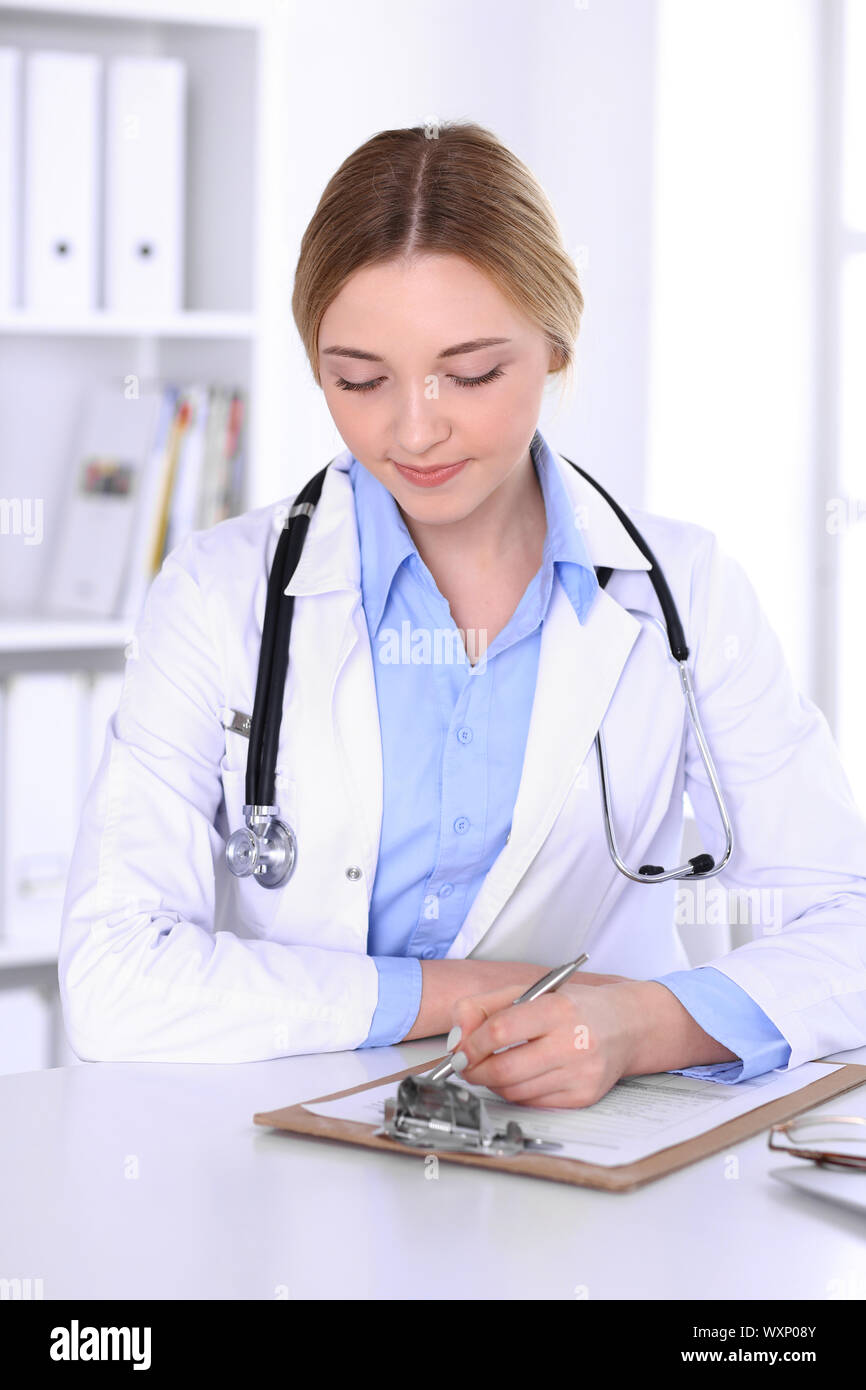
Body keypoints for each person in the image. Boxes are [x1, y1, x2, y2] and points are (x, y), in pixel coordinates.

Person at [59, 121, 866, 1108]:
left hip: (588, 1175)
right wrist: (472, 993)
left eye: (472, 373)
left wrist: (633, 1022)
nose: (413, 428)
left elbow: (847, 924)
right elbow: (112, 977)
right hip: (286, 1174)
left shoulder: (684, 592)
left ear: (556, 340)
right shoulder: (217, 596)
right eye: (358, 378)